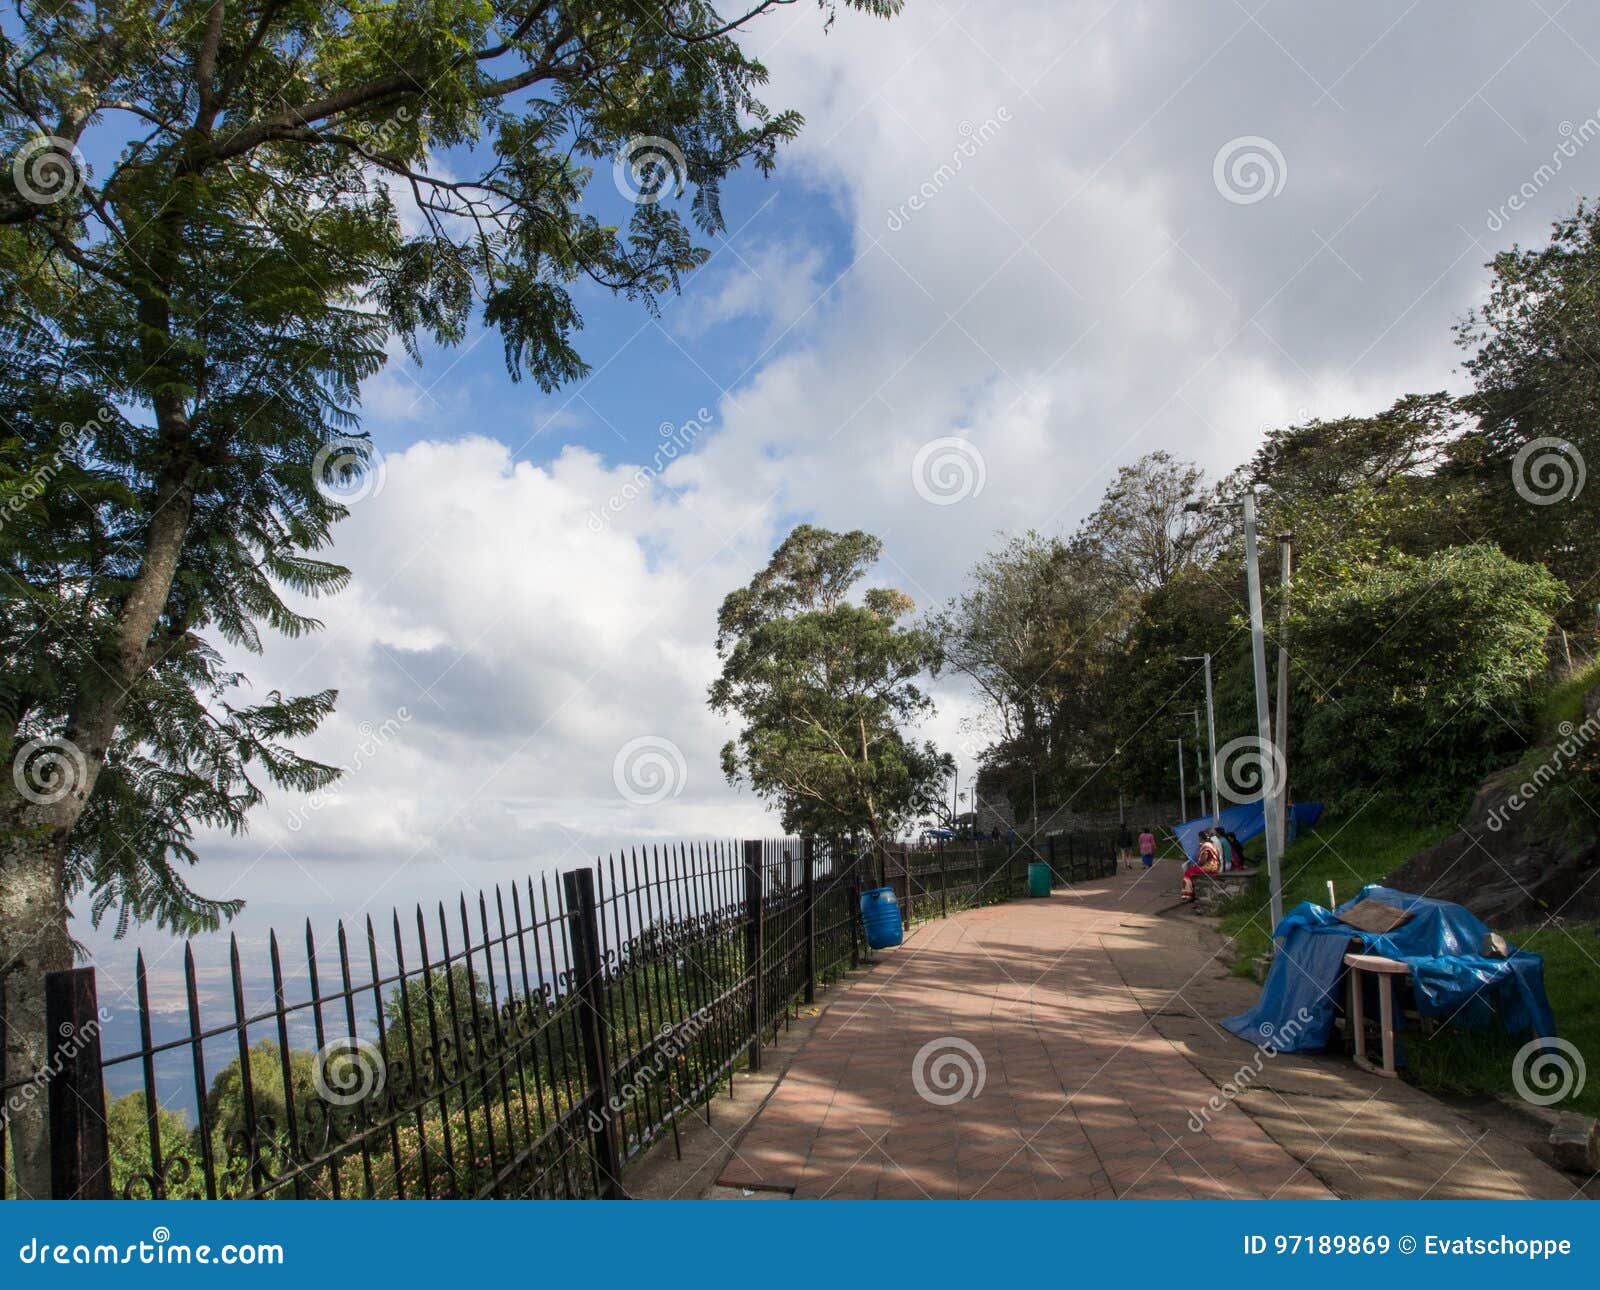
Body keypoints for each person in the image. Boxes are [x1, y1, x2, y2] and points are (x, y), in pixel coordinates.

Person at [1181, 829, 1222, 902]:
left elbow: (1203, 860)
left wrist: (1197, 864)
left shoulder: (1205, 845)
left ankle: (1188, 895)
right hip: (1215, 865)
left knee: (1188, 873)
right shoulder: (1211, 844)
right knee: (1192, 871)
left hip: (1210, 866)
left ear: (1200, 837)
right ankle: (1192, 892)